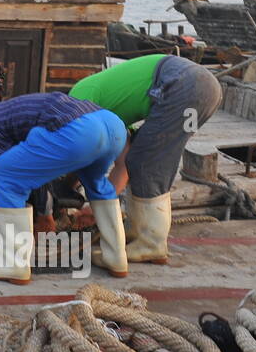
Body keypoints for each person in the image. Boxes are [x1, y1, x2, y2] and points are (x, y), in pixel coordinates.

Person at [0, 92, 127, 284]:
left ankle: (13, 263)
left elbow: (27, 176)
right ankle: (116, 257)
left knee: (1, 175)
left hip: (80, 132)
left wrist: (45, 215)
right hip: (111, 125)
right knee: (97, 184)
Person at [69, 53, 223, 265]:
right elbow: (124, 164)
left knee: (148, 163)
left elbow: (75, 157)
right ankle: (139, 233)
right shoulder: (112, 111)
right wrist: (100, 210)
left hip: (182, 84)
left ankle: (151, 244)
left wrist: (88, 202)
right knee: (147, 157)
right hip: (205, 89)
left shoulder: (78, 100)